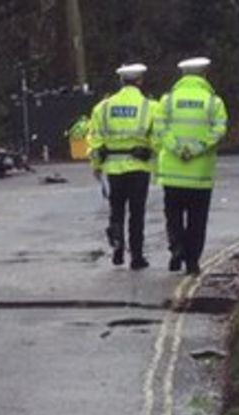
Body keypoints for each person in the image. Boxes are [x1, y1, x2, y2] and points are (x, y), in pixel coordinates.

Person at [154, 57, 229, 275]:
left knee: (173, 214)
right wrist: (196, 148)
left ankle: (177, 246)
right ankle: (192, 261)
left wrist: (177, 148)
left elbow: (160, 130)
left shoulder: (167, 101)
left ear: (182, 76)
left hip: (172, 172)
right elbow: (219, 130)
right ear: (204, 75)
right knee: (197, 218)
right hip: (200, 173)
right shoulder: (213, 102)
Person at [88, 63, 157, 270]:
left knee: (116, 209)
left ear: (121, 81)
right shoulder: (150, 107)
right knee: (137, 213)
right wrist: (152, 154)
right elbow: (158, 138)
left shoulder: (103, 107)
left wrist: (96, 165)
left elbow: (95, 139)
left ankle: (118, 247)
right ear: (140, 81)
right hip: (139, 166)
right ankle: (137, 257)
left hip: (113, 167)